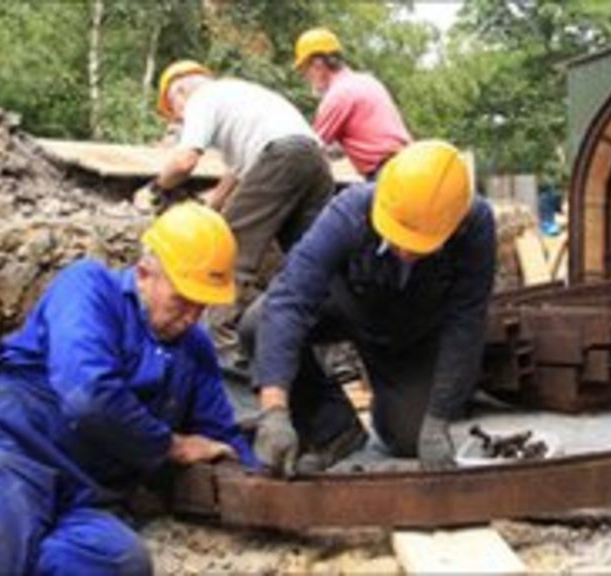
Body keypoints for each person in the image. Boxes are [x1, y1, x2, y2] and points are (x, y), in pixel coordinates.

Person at [0, 203, 258, 575]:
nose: (191, 317)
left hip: (84, 492)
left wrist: (261, 475)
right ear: (144, 274)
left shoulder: (195, 348)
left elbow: (219, 436)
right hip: (12, 451)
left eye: (201, 307)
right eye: (182, 301)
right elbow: (88, 396)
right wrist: (170, 444)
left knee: (120, 560)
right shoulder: (88, 287)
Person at [245, 140, 495, 476]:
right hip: (345, 308)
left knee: (409, 439)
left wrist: (439, 417)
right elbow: (290, 298)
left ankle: (401, 410)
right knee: (259, 322)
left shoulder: (475, 224)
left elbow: (466, 322)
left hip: (410, 332)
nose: (406, 252)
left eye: (418, 245)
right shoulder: (350, 210)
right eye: (400, 238)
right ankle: (332, 428)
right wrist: (273, 410)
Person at [151, 60, 335, 355]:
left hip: (281, 158)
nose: (181, 119)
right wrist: (207, 210)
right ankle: (331, 360)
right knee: (312, 263)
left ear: (180, 91)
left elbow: (185, 160)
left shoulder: (202, 98)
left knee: (228, 256)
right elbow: (236, 176)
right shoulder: (241, 98)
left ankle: (225, 357)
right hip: (315, 161)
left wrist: (157, 187)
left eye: (176, 111)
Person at [294, 27, 412, 180]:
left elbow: (310, 150)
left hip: (387, 175)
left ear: (318, 63)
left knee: (338, 205)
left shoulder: (338, 95)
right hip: (409, 164)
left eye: (305, 70)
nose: (306, 77)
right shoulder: (366, 80)